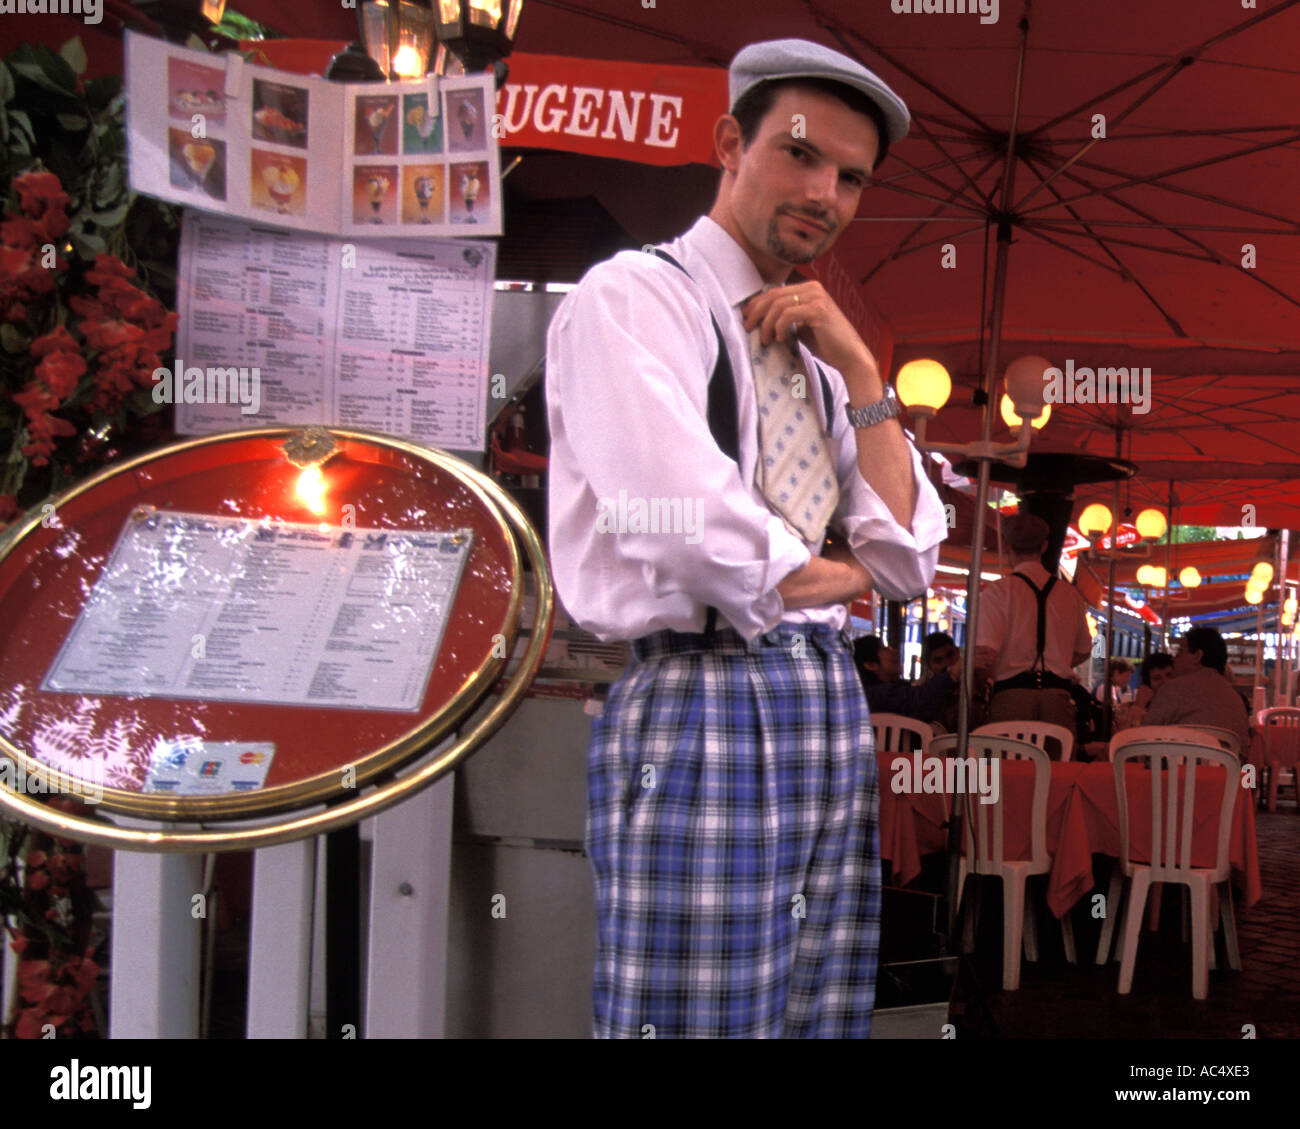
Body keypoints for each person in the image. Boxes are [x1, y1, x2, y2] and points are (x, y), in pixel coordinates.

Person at [546, 38, 946, 1038]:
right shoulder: (635, 298)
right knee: (696, 1014)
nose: (825, 194)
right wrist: (847, 574)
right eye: (801, 155)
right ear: (730, 143)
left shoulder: (820, 360)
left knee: (816, 1011)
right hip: (701, 687)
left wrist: (864, 372)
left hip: (824, 696)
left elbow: (907, 555)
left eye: (850, 178)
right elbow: (695, 534)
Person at [975, 512, 1092, 738]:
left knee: (1007, 761)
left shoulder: (997, 592)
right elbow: (1084, 650)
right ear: (1044, 545)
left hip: (1011, 699)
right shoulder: (1071, 595)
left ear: (1006, 544)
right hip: (1058, 699)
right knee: (1056, 761)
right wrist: (1058, 661)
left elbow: (985, 655)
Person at [1142, 627, 1250, 751]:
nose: (1174, 658)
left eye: (1180, 651)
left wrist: (1138, 707)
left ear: (1197, 656)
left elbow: (1142, 739)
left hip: (1179, 763)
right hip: (1229, 763)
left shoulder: (1174, 688)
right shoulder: (1235, 698)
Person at [854, 634, 959, 725]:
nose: (894, 651)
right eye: (884, 648)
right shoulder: (876, 694)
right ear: (871, 665)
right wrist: (953, 674)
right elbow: (917, 701)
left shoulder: (894, 689)